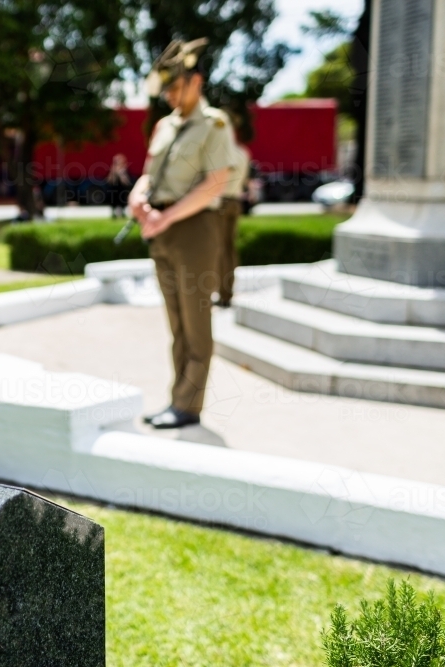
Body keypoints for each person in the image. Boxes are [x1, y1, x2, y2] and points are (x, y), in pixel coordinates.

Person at [128, 38, 236, 430]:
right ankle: (178, 399)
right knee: (175, 323)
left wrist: (166, 216)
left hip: (193, 230)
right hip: (162, 229)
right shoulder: (165, 125)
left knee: (195, 322)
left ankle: (189, 405)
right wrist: (138, 197)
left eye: (176, 86)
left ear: (196, 82)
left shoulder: (214, 124)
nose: (171, 94)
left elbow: (216, 182)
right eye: (167, 88)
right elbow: (147, 173)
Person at [217, 140, 250, 307]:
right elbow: (244, 179)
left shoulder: (219, 151)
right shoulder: (242, 152)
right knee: (230, 248)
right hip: (235, 201)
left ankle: (223, 293)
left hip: (220, 202)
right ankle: (227, 292)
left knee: (220, 249)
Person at [106, 153, 132, 218]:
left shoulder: (125, 170)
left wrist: (121, 174)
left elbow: (127, 182)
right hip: (114, 189)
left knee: (122, 201)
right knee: (113, 200)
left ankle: (122, 213)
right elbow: (109, 180)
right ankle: (113, 213)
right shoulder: (112, 170)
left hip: (121, 189)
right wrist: (113, 172)